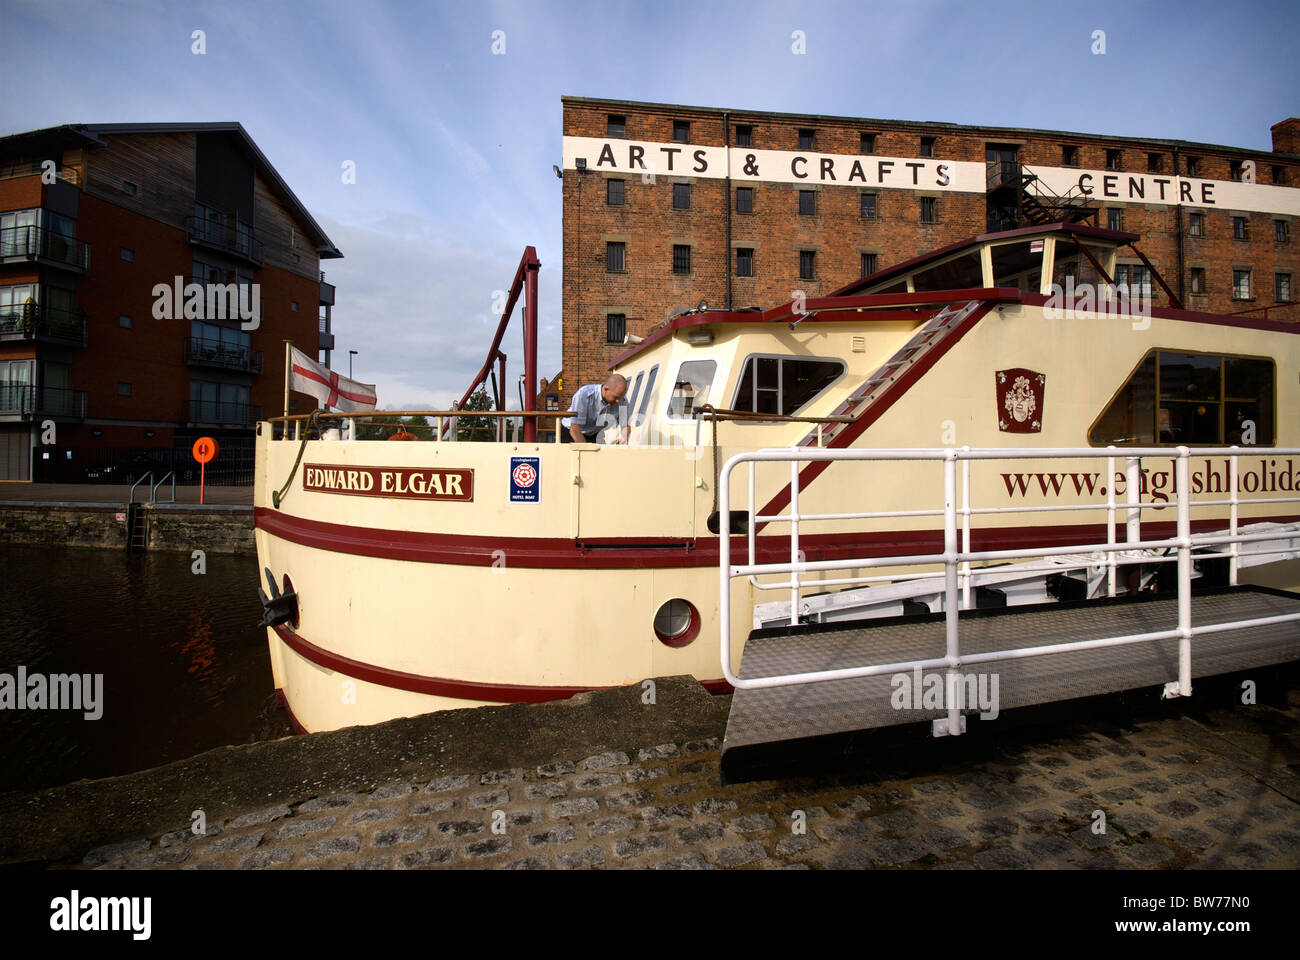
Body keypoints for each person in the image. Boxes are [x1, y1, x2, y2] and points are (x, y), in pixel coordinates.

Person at [560, 374, 630, 443]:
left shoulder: (623, 401)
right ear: (606, 389)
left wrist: (623, 438)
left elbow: (624, 425)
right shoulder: (584, 395)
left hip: (593, 433)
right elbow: (574, 429)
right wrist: (586, 450)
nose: (618, 401)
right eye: (616, 397)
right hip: (570, 433)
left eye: (621, 397)